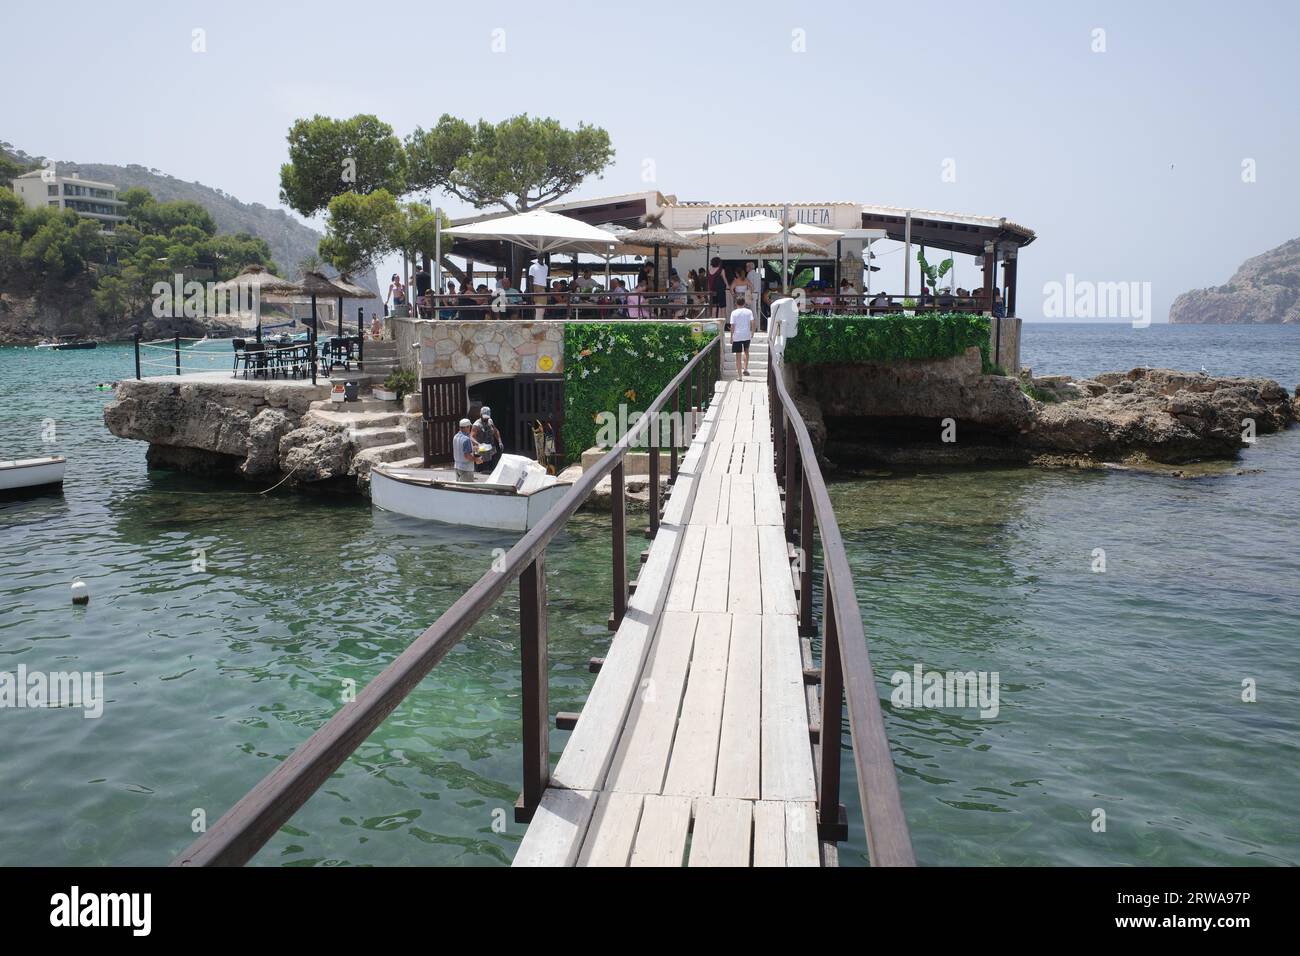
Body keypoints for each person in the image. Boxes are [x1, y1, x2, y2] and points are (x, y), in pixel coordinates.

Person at [729, 295, 755, 377]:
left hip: (737, 336)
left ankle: (740, 376)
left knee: (738, 356)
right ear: (744, 303)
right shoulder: (749, 311)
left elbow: (732, 326)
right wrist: (753, 332)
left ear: (736, 303)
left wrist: (731, 337)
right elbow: (753, 322)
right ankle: (745, 368)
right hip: (746, 335)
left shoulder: (733, 313)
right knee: (746, 351)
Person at [471, 406, 503, 473]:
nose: (486, 419)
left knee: (491, 469)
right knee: (481, 471)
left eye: (487, 417)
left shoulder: (490, 421)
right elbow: (472, 437)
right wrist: (477, 444)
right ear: (480, 415)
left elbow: (495, 431)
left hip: (491, 450)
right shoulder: (476, 425)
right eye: (484, 417)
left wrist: (499, 441)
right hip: (481, 451)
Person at [746, 261, 763, 328]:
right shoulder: (758, 274)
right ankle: (755, 325)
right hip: (756, 293)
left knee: (752, 310)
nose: (746, 268)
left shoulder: (749, 274)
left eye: (747, 267)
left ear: (749, 267)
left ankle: (754, 326)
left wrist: (748, 295)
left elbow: (749, 286)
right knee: (754, 310)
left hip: (750, 293)